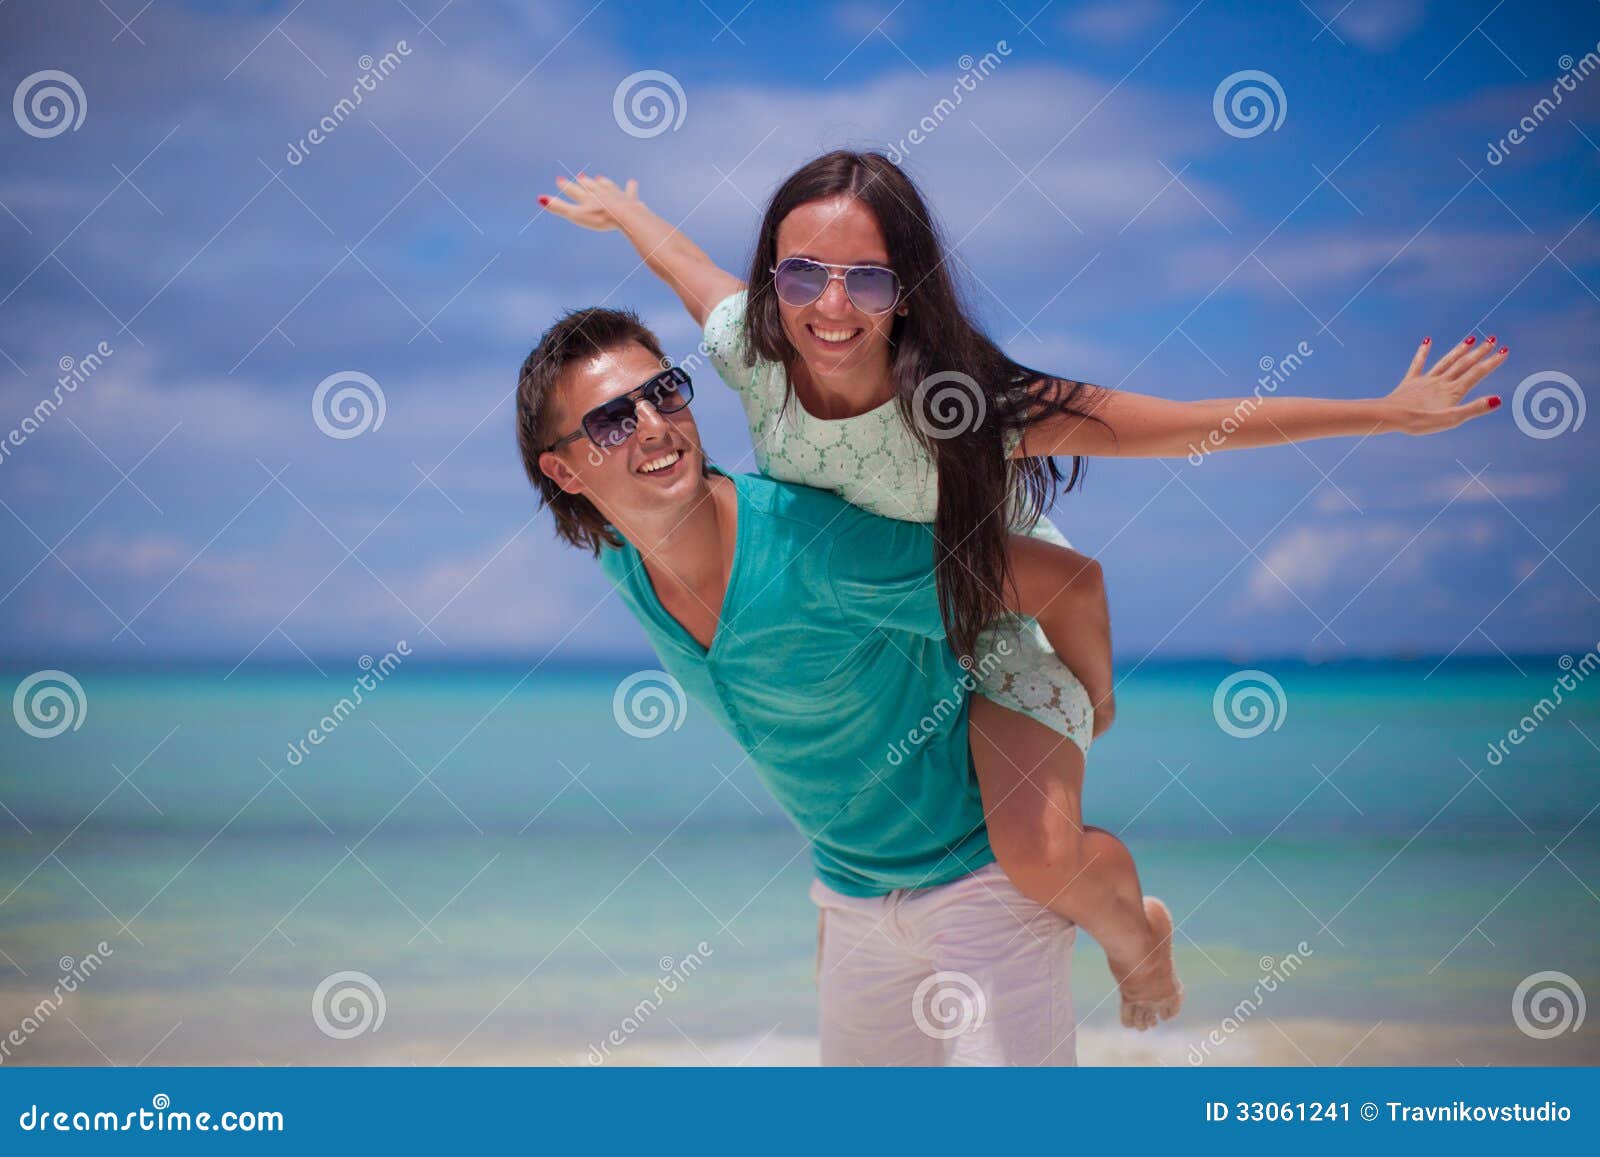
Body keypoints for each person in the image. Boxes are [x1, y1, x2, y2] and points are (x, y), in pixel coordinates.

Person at [537, 151, 1510, 1027]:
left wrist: (1380, 413)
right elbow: (689, 267)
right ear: (776, 278)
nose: (831, 306)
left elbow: (1183, 427)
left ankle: (1134, 931)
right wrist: (628, 213)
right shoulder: (751, 354)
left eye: (867, 277)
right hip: (891, 630)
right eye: (803, 274)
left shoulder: (964, 405)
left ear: (908, 289)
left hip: (994, 626)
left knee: (1038, 856)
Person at [516, 305, 1131, 1065]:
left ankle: (1127, 919)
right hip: (851, 893)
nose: (652, 424)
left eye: (665, 391)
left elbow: (1068, 584)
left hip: (984, 871)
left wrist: (1093, 708)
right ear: (565, 471)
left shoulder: (815, 549)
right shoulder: (623, 555)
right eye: (610, 420)